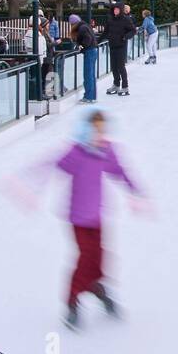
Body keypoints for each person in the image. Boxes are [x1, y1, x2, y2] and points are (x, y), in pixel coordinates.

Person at [50, 108, 142, 330]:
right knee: (86, 259)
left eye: (103, 129)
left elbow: (118, 170)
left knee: (99, 259)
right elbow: (56, 164)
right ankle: (72, 302)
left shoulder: (106, 150)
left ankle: (98, 289)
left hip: (96, 216)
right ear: (86, 130)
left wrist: (133, 187)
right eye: (95, 129)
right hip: (78, 218)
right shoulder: (77, 152)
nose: (100, 134)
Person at [104, 3, 135, 96]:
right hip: (112, 46)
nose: (115, 11)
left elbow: (133, 30)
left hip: (121, 46)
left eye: (117, 9)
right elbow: (105, 32)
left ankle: (125, 87)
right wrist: (96, 41)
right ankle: (116, 84)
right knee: (113, 67)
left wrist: (125, 37)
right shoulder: (110, 20)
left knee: (121, 67)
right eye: (114, 9)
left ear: (120, 10)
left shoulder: (126, 19)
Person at [69, 13, 98, 103]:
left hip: (89, 52)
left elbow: (88, 39)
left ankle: (88, 97)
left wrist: (81, 46)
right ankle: (92, 96)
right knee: (91, 75)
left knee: (88, 75)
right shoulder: (85, 26)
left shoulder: (82, 28)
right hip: (92, 51)